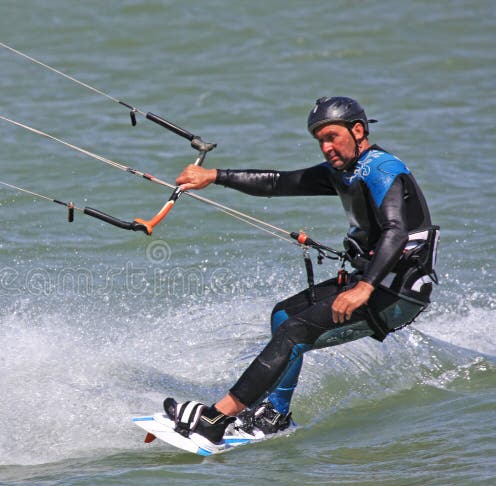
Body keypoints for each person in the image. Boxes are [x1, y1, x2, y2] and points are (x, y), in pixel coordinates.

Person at [165, 96, 439, 446]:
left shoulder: (382, 169)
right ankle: (274, 415)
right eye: (319, 140)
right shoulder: (344, 171)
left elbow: (396, 231)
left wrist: (364, 287)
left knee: (294, 333)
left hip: (396, 290)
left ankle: (215, 418)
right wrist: (214, 176)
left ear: (358, 131)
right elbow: (277, 183)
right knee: (284, 315)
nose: (326, 147)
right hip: (376, 280)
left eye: (332, 137)